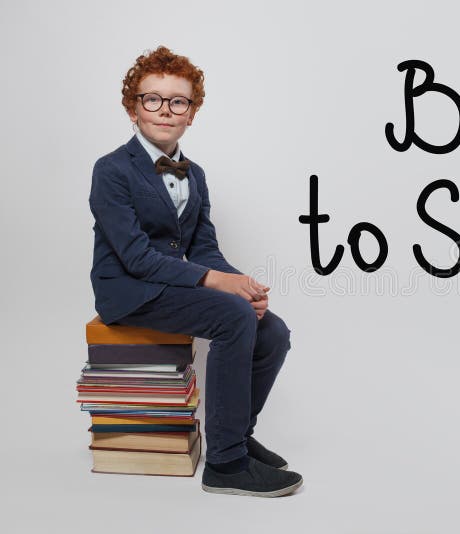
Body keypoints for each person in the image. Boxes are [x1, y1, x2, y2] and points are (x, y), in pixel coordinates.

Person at [88, 46, 302, 497]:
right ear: (132, 107)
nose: (165, 110)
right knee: (232, 318)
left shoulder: (196, 175)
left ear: (192, 113)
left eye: (178, 101)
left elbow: (204, 249)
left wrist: (242, 284)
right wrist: (218, 286)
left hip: (168, 285)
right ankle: (225, 464)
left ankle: (236, 433)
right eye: (152, 98)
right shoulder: (110, 170)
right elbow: (137, 259)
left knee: (273, 330)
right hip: (128, 292)